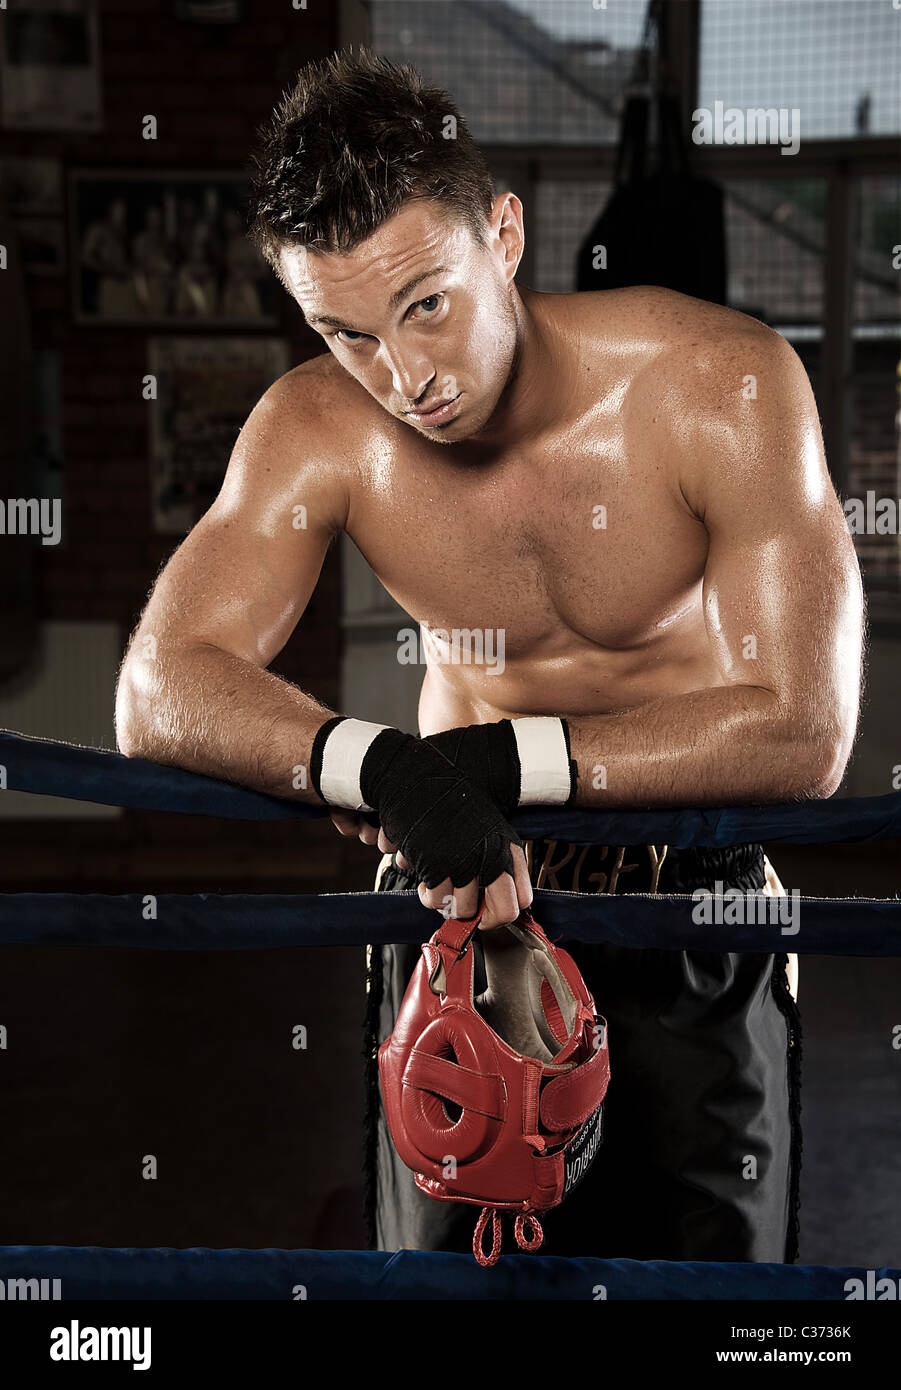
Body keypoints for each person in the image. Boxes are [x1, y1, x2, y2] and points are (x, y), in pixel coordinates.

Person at [114, 49, 864, 1263]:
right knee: (456, 1297)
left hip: (685, 886)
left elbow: (801, 729)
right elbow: (159, 684)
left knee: (714, 1301)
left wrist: (490, 760)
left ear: (504, 235)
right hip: (467, 894)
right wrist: (393, 773)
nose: (403, 378)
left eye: (426, 305)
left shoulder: (719, 387)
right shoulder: (317, 425)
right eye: (344, 329)